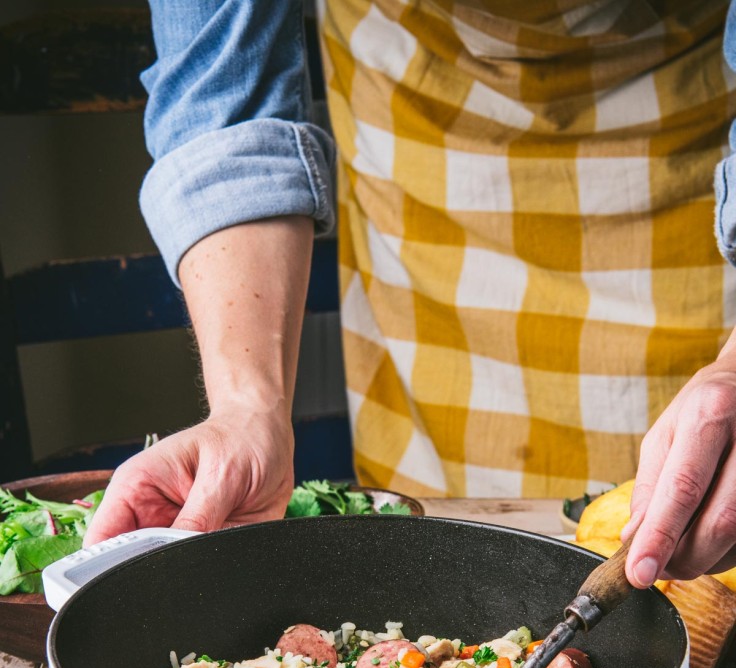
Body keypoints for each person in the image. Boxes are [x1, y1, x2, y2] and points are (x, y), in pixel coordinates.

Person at [86, 0, 736, 591]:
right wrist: (247, 405)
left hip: (684, 137)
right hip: (417, 121)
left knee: (697, 504)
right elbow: (224, 90)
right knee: (440, 584)